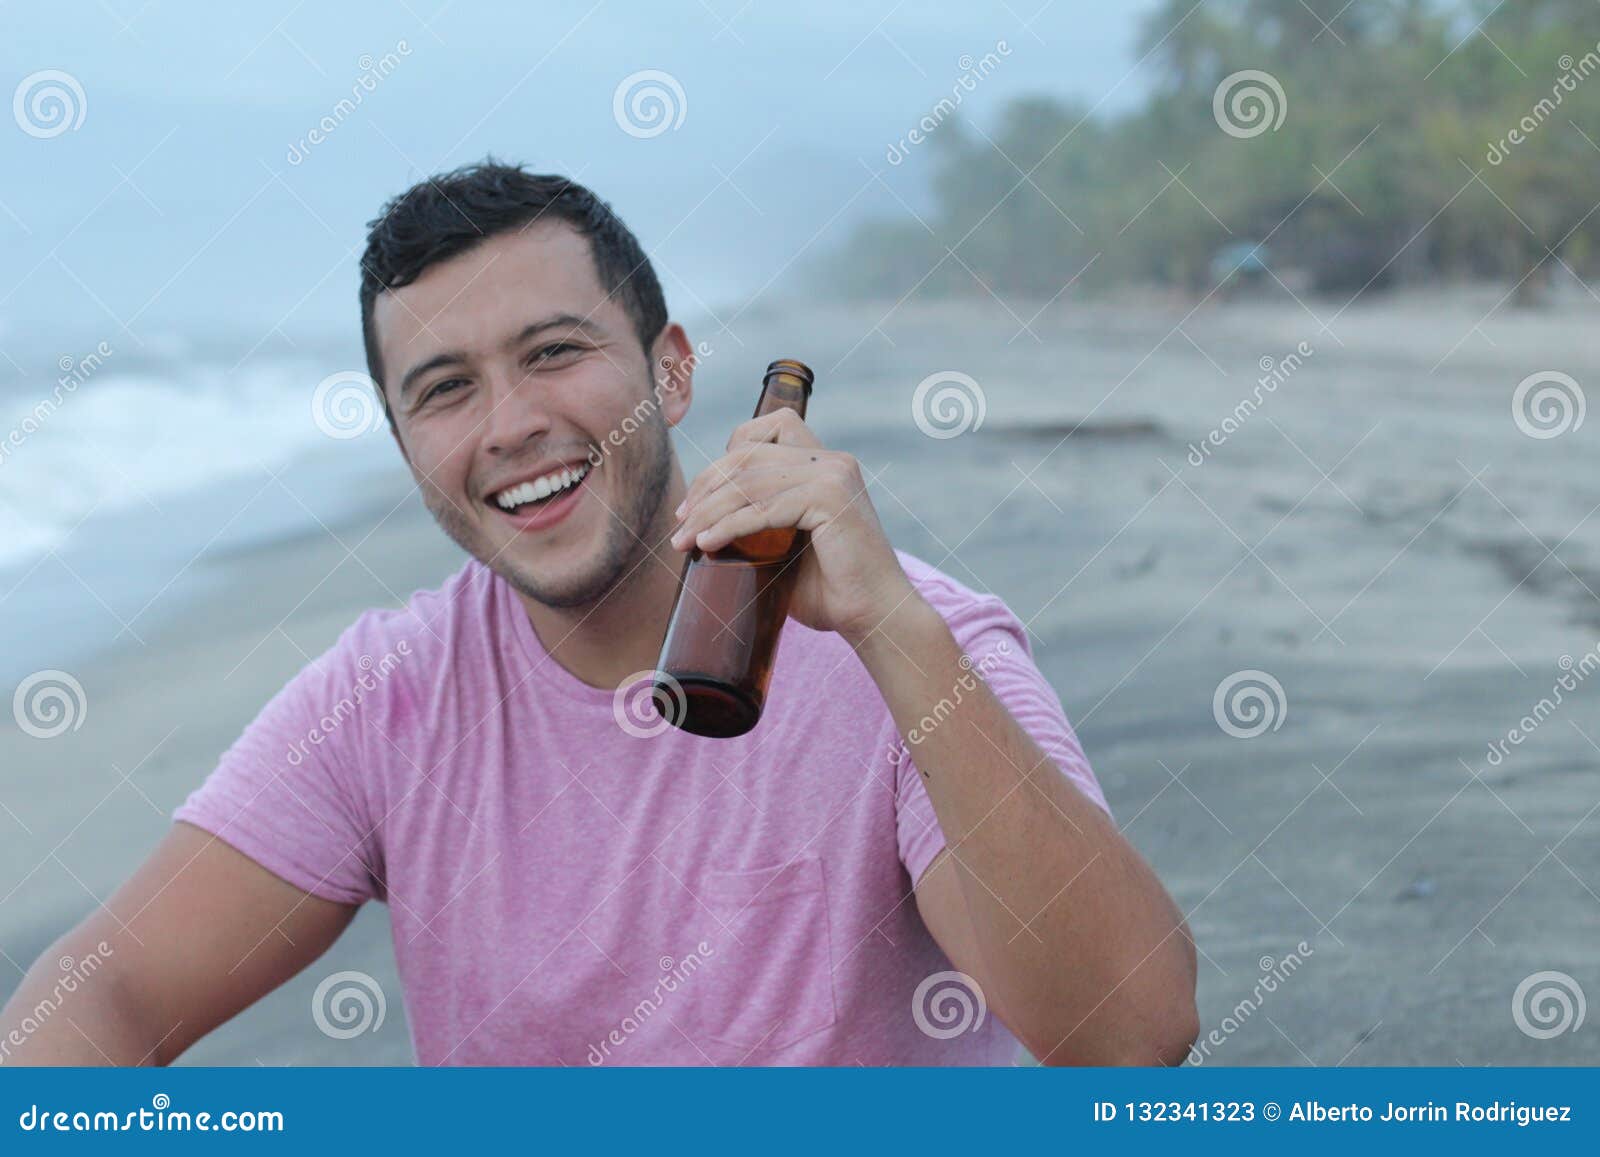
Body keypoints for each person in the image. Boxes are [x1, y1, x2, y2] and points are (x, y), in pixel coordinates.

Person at [1, 161, 1197, 1066]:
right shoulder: (389, 697)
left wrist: (890, 630)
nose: (510, 420)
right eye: (445, 388)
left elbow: (1129, 1033)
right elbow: (96, 994)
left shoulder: (915, 643)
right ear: (408, 445)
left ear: (670, 371)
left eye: (553, 351)